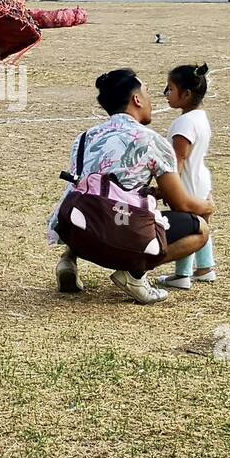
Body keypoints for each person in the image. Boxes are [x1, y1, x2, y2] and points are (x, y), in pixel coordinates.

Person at [51, 69, 213, 304]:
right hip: (120, 236)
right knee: (200, 229)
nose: (152, 99)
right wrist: (207, 205)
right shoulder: (152, 141)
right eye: (146, 92)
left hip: (76, 233)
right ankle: (134, 275)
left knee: (93, 196)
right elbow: (182, 203)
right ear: (137, 99)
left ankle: (68, 260)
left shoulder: (84, 137)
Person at [160, 64, 217, 289]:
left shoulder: (184, 123)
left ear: (186, 94)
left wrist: (168, 189)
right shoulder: (200, 117)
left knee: (189, 227)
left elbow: (179, 159)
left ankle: (182, 274)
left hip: (187, 184)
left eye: (170, 89)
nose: (165, 94)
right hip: (201, 180)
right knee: (202, 224)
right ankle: (205, 268)